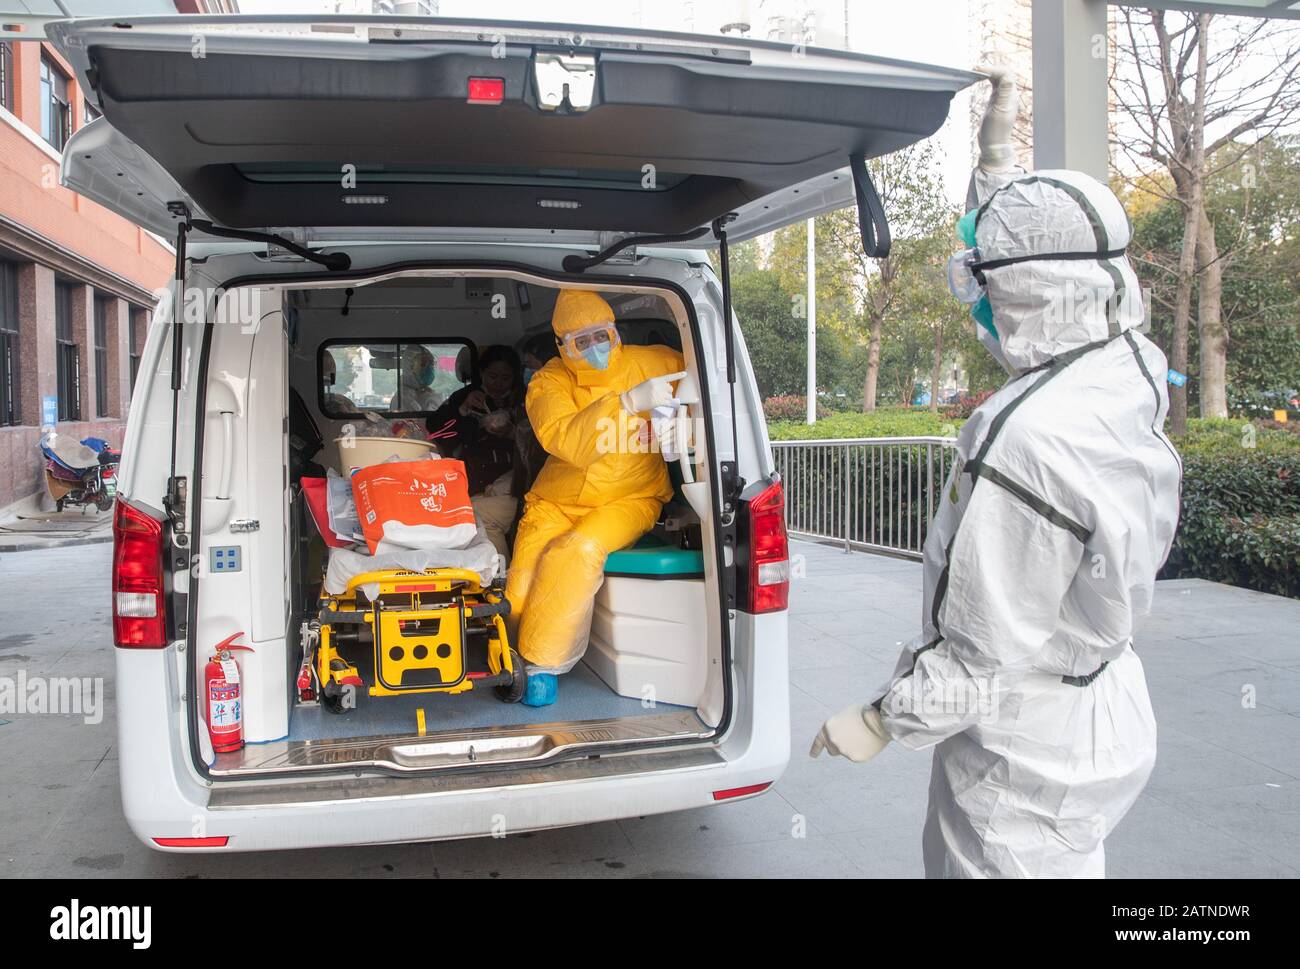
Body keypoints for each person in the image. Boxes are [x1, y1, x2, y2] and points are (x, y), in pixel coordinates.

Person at [811, 70, 1182, 879]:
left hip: (1024, 746)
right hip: (1100, 703)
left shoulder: (1025, 439)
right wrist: (996, 168)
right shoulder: (1124, 362)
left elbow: (979, 652)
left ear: (1025, 289)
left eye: (985, 284)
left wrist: (881, 718)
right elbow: (1040, 266)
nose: (977, 304)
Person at [505, 289, 685, 707]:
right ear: (561, 346)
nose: (593, 348)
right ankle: (507, 650)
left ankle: (541, 665)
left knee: (577, 551)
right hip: (556, 501)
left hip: (630, 496)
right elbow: (567, 442)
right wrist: (626, 403)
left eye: (600, 335)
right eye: (579, 342)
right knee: (518, 592)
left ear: (614, 331)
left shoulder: (655, 362)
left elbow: (707, 383)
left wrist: (680, 424)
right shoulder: (549, 382)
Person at [426, 345, 527, 556]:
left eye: (505, 378)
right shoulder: (466, 396)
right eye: (492, 376)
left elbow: (540, 442)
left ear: (515, 377)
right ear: (481, 374)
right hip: (471, 478)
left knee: (482, 514)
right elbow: (436, 432)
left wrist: (512, 432)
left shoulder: (526, 399)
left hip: (516, 480)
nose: (498, 383)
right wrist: (465, 414)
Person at [390, 345, 443, 412]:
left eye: (431, 364)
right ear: (410, 368)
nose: (429, 369)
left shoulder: (420, 393)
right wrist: (433, 398)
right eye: (423, 364)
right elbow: (426, 420)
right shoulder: (403, 398)